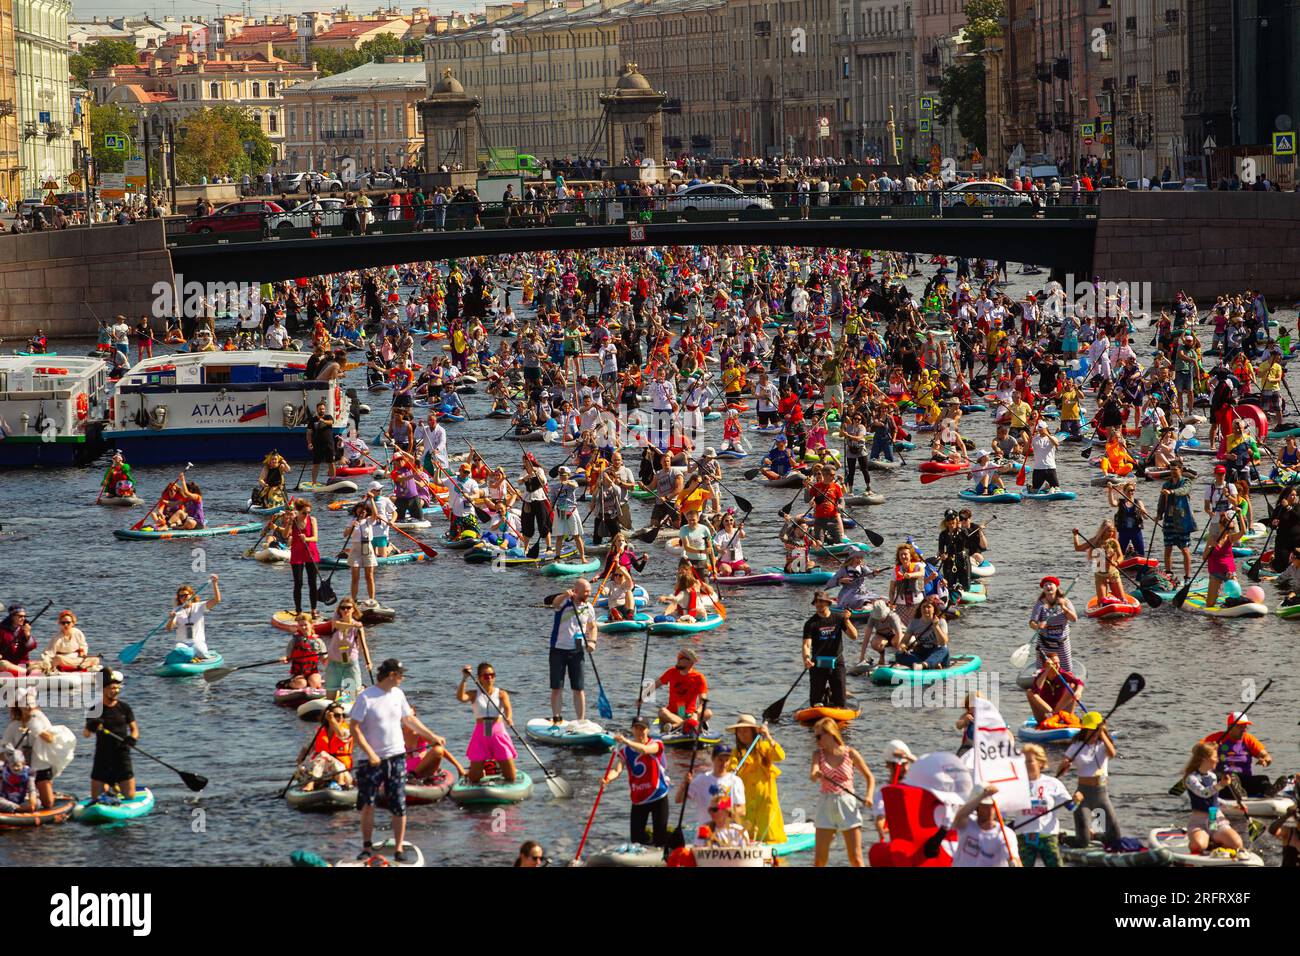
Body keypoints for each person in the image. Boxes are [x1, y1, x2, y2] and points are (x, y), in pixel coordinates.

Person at [350, 659, 419, 862]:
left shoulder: (398, 694)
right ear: (391, 675)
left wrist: (432, 736)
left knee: (398, 803)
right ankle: (366, 847)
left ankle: (398, 848)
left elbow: (409, 720)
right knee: (368, 804)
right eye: (400, 674)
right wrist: (370, 753)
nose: (402, 678)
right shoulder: (366, 697)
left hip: (396, 757)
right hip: (370, 761)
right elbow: (354, 727)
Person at [809, 717, 873, 867]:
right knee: (819, 860)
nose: (816, 740)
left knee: (856, 859)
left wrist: (868, 795)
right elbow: (813, 774)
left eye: (819, 736)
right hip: (826, 806)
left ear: (831, 734)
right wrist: (816, 774)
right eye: (815, 737)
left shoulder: (850, 753)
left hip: (847, 804)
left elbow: (869, 777)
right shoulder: (817, 755)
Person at [604, 716, 671, 847]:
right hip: (639, 798)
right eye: (637, 728)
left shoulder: (656, 744)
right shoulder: (625, 751)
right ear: (632, 730)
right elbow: (617, 770)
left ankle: (663, 845)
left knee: (660, 839)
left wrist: (626, 741)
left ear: (648, 730)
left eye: (643, 728)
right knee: (636, 840)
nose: (640, 732)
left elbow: (645, 750)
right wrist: (607, 778)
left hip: (658, 795)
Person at [1058, 711, 1121, 848]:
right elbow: (1061, 772)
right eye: (1091, 731)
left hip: (1101, 796)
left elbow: (1113, 754)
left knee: (1114, 837)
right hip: (1083, 797)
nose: (1093, 735)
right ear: (1085, 730)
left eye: (1096, 732)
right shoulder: (1076, 746)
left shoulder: (1103, 745)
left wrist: (1102, 733)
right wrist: (1064, 765)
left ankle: (1094, 833)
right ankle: (1063, 838)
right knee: (1083, 842)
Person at [1014, 743, 1078, 866]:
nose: (1025, 765)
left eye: (1029, 761)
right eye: (1023, 762)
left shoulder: (1053, 783)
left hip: (1047, 836)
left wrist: (1077, 799)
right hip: (1024, 837)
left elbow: (1071, 807)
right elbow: (1002, 809)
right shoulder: (1016, 785)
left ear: (1041, 763)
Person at [726, 714, 786, 843]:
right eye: (739, 731)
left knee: (769, 832)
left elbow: (780, 756)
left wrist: (768, 736)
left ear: (753, 732)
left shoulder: (764, 747)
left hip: (766, 798)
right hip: (747, 799)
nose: (742, 734)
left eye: (745, 731)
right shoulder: (736, 752)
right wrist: (731, 770)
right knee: (748, 832)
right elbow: (731, 768)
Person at [547, 578, 598, 724]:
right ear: (576, 591)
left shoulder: (589, 607)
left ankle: (581, 721)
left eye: (589, 591)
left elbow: (592, 627)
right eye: (585, 591)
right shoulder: (564, 603)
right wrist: (564, 595)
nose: (588, 594)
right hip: (558, 650)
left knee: (579, 688)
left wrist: (592, 642)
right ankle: (557, 718)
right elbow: (554, 603)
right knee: (557, 687)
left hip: (577, 651)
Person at [456, 662, 518, 784]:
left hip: (498, 733)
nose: (489, 678)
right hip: (480, 735)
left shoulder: (501, 694)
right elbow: (461, 697)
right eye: (485, 676)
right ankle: (477, 771)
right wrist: (464, 678)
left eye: (492, 675)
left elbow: (507, 708)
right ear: (479, 678)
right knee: (474, 778)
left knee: (511, 777)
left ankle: (498, 767)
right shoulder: (474, 694)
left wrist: (509, 718)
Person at [1182, 742, 1246, 856]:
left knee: (1237, 844)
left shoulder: (1212, 776)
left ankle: (1214, 841)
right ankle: (1201, 841)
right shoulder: (1191, 778)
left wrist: (1233, 806)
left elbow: (1214, 798)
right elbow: (1204, 793)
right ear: (1204, 759)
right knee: (1199, 846)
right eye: (1215, 757)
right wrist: (1221, 784)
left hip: (1215, 818)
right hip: (1199, 820)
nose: (1217, 760)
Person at [83, 670, 138, 802]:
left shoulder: (124, 707)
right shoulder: (95, 709)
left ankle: (115, 785)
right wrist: (92, 726)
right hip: (103, 755)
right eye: (112, 688)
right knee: (95, 798)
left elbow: (134, 729)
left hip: (122, 753)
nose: (115, 691)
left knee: (130, 796)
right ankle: (109, 787)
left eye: (117, 688)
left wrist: (132, 739)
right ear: (103, 689)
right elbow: (86, 734)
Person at [2, 689, 61, 809]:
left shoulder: (41, 719)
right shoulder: (14, 726)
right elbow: (3, 747)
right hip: (20, 769)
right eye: (25, 703)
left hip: (40, 766)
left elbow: (51, 739)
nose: (28, 706)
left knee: (48, 803)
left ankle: (38, 796)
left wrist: (37, 729)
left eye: (31, 703)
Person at [802, 590, 857, 707]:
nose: (819, 604)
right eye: (816, 602)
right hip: (817, 664)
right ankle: (823, 695)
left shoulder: (839, 618)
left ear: (827, 603)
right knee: (815, 703)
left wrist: (847, 621)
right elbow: (807, 645)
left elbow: (854, 636)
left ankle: (831, 694)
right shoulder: (810, 624)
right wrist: (806, 658)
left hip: (837, 662)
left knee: (841, 703)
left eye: (821, 601)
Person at [1200, 712, 1274, 797]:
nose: (1243, 730)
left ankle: (1268, 791)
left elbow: (1266, 756)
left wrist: (1265, 760)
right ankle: (1236, 793)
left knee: (1263, 779)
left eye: (1245, 727)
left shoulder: (1248, 739)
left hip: (1244, 779)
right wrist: (1208, 748)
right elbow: (1196, 751)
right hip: (1224, 780)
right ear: (1230, 727)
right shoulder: (1216, 738)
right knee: (1222, 778)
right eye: (1240, 727)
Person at [678, 742, 746, 832]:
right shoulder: (701, 780)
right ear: (713, 759)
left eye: (727, 760)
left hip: (728, 833)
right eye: (720, 760)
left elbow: (742, 810)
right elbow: (679, 799)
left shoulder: (736, 781)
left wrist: (725, 809)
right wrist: (684, 785)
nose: (724, 764)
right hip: (705, 831)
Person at [952, 785, 1022, 867]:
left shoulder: (1005, 834)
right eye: (985, 807)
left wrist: (1014, 863)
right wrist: (982, 796)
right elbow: (958, 817)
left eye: (992, 807)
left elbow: (1014, 858)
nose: (990, 811)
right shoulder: (966, 825)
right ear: (977, 807)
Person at [647, 646, 712, 733]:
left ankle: (677, 725)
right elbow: (655, 685)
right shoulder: (671, 672)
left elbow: (702, 702)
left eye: (681, 657)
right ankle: (688, 724)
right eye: (678, 656)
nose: (677, 659)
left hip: (690, 714)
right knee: (662, 711)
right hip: (672, 713)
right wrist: (642, 696)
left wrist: (696, 714)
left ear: (690, 662)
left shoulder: (699, 677)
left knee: (708, 713)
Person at [295, 702, 353, 792]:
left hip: (341, 772)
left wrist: (332, 720)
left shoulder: (347, 730)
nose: (341, 718)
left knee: (323, 755)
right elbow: (307, 748)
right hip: (322, 771)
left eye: (343, 715)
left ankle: (311, 783)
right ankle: (313, 782)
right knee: (305, 767)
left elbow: (341, 735)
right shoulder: (319, 731)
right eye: (337, 715)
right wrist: (300, 759)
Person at [166, 575, 221, 663]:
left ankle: (195, 656)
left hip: (197, 642)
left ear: (191, 595)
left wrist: (215, 583)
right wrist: (171, 619)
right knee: (180, 650)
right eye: (180, 596)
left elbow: (217, 600)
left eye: (185, 595)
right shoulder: (176, 611)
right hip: (183, 643)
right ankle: (187, 657)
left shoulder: (200, 606)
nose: (183, 598)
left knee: (201, 652)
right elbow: (169, 628)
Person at [1028, 575, 1077, 672]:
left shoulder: (1065, 601)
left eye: (1050, 584)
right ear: (1043, 589)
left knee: (1066, 670)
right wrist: (1038, 626)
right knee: (1043, 670)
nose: (1048, 586)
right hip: (1045, 644)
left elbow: (1074, 619)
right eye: (1045, 585)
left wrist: (1064, 607)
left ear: (1056, 587)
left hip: (1062, 643)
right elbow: (1031, 622)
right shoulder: (1040, 604)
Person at [325, 599, 371, 701]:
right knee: (330, 694)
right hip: (334, 663)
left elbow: (364, 646)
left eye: (348, 608)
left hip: (350, 663)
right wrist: (354, 625)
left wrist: (368, 662)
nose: (346, 610)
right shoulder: (335, 623)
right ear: (339, 610)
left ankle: (348, 701)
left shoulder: (358, 627)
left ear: (353, 609)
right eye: (343, 608)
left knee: (348, 697)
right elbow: (339, 625)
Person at [288, 498, 322, 617]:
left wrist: (306, 538)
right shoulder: (293, 521)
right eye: (304, 512)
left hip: (311, 553)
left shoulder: (312, 520)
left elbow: (315, 538)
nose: (307, 514)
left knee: (312, 583)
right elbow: (285, 534)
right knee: (298, 583)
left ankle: (313, 610)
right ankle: (299, 611)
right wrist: (289, 522)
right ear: (298, 511)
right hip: (297, 554)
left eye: (308, 512)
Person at [344, 501, 381, 606]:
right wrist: (352, 526)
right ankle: (354, 600)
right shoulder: (352, 520)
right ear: (356, 511)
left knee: (369, 575)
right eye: (360, 510)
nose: (362, 512)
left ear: (366, 512)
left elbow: (375, 513)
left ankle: (372, 600)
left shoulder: (369, 521)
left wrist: (372, 499)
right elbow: (345, 535)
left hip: (367, 547)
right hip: (355, 548)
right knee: (355, 576)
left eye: (364, 511)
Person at [279, 613, 326, 692]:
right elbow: (288, 658)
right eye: (301, 625)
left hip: (312, 671)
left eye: (305, 624)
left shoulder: (318, 641)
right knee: (302, 683)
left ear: (311, 624)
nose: (304, 627)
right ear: (298, 627)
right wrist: (284, 659)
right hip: (298, 673)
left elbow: (325, 660)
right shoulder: (294, 641)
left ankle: (313, 684)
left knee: (314, 682)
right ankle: (286, 684)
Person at [0, 604, 35, 676]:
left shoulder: (24, 630)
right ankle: (28, 673)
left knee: (42, 662)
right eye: (20, 616)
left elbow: (31, 647)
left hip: (22, 664)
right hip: (7, 665)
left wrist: (27, 635)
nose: (23, 618)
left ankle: (28, 672)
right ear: (12, 617)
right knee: (3, 663)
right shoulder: (2, 630)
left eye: (24, 616)